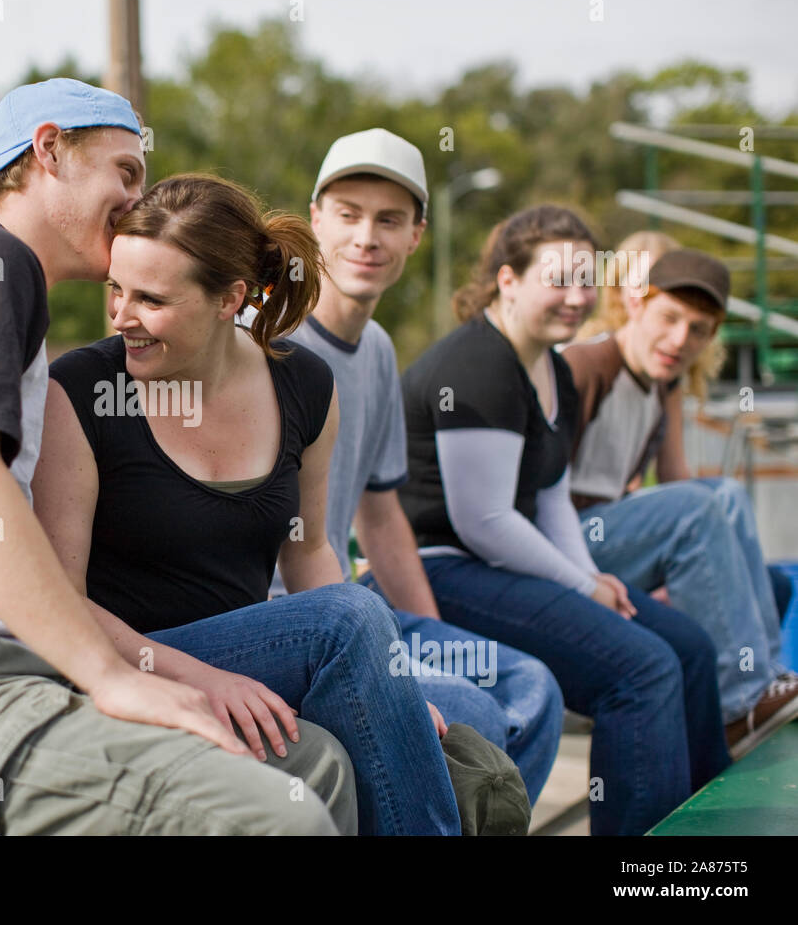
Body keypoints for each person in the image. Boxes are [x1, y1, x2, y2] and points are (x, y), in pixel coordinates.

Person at [0, 78, 359, 836]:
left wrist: (155, 675)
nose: (135, 199)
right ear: (48, 150)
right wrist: (112, 677)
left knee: (309, 765)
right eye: (125, 172)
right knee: (276, 821)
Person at [33, 171, 465, 835]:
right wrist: (202, 679)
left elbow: (311, 550)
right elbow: (60, 601)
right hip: (126, 658)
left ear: (229, 298)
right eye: (115, 290)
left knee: (478, 730)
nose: (121, 316)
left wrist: (387, 686)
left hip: (253, 653)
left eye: (151, 299)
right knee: (348, 625)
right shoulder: (81, 389)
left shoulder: (304, 384)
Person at [397, 204, 731, 835]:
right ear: (508, 279)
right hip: (447, 570)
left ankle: (710, 833)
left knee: (688, 649)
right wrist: (583, 587)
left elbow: (551, 497)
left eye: (586, 280)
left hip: (504, 567)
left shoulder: (552, 369)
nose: (577, 297)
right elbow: (484, 520)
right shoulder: (478, 367)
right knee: (640, 670)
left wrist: (594, 578)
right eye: (558, 279)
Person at [267, 128, 563, 804]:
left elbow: (380, 514)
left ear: (416, 237)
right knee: (477, 718)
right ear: (315, 220)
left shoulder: (375, 349)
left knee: (532, 689)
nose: (367, 237)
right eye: (348, 214)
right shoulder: (267, 341)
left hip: (367, 609)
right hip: (288, 619)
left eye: (389, 220)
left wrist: (429, 636)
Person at [564, 243, 798, 757]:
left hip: (607, 532)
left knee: (728, 494)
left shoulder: (661, 383)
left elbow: (679, 483)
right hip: (559, 541)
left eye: (698, 330)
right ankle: (740, 704)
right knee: (699, 508)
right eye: (669, 318)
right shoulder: (585, 366)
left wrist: (690, 567)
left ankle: (765, 679)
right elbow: (536, 493)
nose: (679, 340)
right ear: (636, 303)